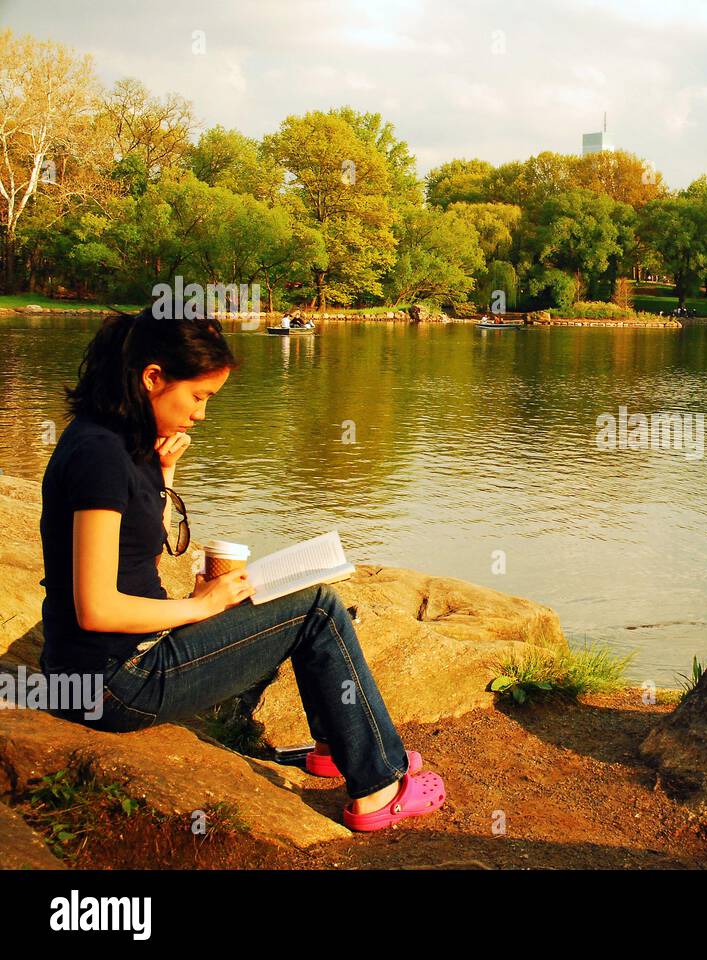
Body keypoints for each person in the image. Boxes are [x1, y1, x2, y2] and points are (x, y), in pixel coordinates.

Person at [37, 308, 444, 832]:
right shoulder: (99, 456)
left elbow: (137, 558)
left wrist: (165, 473)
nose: (201, 415)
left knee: (289, 596)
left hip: (122, 661)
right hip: (115, 684)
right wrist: (201, 606)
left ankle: (336, 745)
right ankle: (378, 787)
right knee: (317, 608)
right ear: (153, 377)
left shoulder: (124, 440)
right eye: (199, 397)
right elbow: (95, 608)